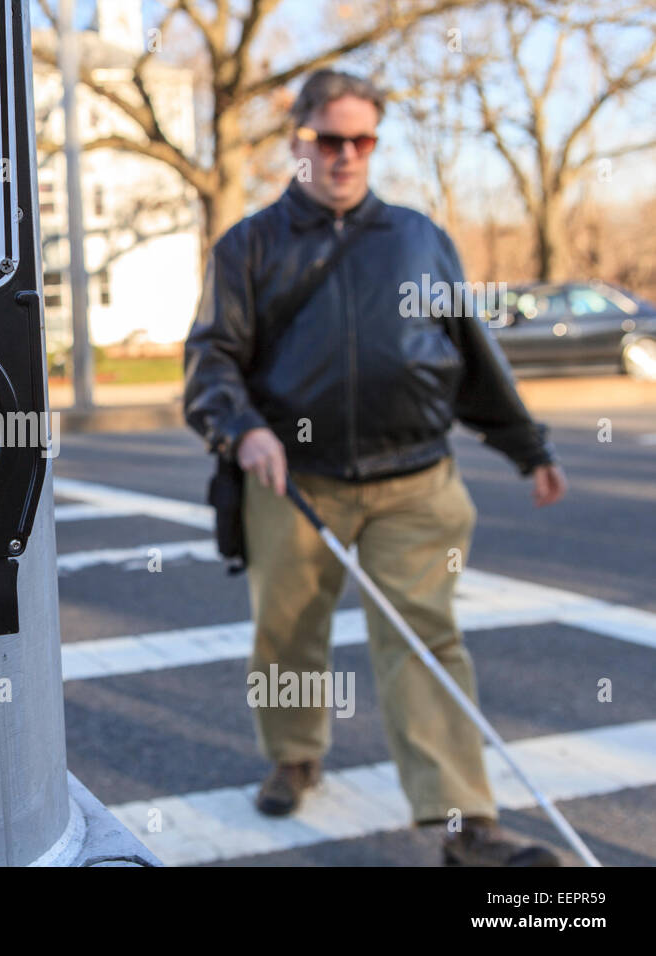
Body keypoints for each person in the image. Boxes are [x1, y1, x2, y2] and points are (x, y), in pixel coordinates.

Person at [182, 68, 569, 866]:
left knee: (425, 640)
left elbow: (471, 354)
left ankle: (465, 822)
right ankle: (294, 755)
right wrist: (244, 429)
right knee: (286, 633)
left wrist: (529, 448)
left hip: (416, 481)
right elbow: (210, 360)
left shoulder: (419, 238)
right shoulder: (249, 245)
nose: (347, 156)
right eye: (331, 140)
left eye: (363, 140)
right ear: (299, 141)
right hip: (293, 481)